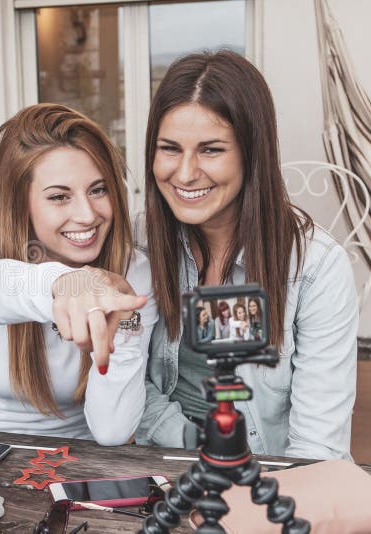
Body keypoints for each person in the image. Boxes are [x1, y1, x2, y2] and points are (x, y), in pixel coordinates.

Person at [135, 51, 357, 459]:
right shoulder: (139, 242)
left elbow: (315, 449)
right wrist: (194, 444)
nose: (184, 174)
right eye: (169, 148)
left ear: (252, 154)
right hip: (161, 463)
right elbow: (128, 384)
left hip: (268, 474)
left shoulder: (317, 268)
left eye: (211, 150)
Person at [0, 104, 157, 444]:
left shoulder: (133, 272)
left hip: (75, 462)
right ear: (20, 203)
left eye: (98, 190)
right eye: (59, 197)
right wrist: (66, 285)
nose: (87, 215)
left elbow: (113, 431)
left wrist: (123, 325)